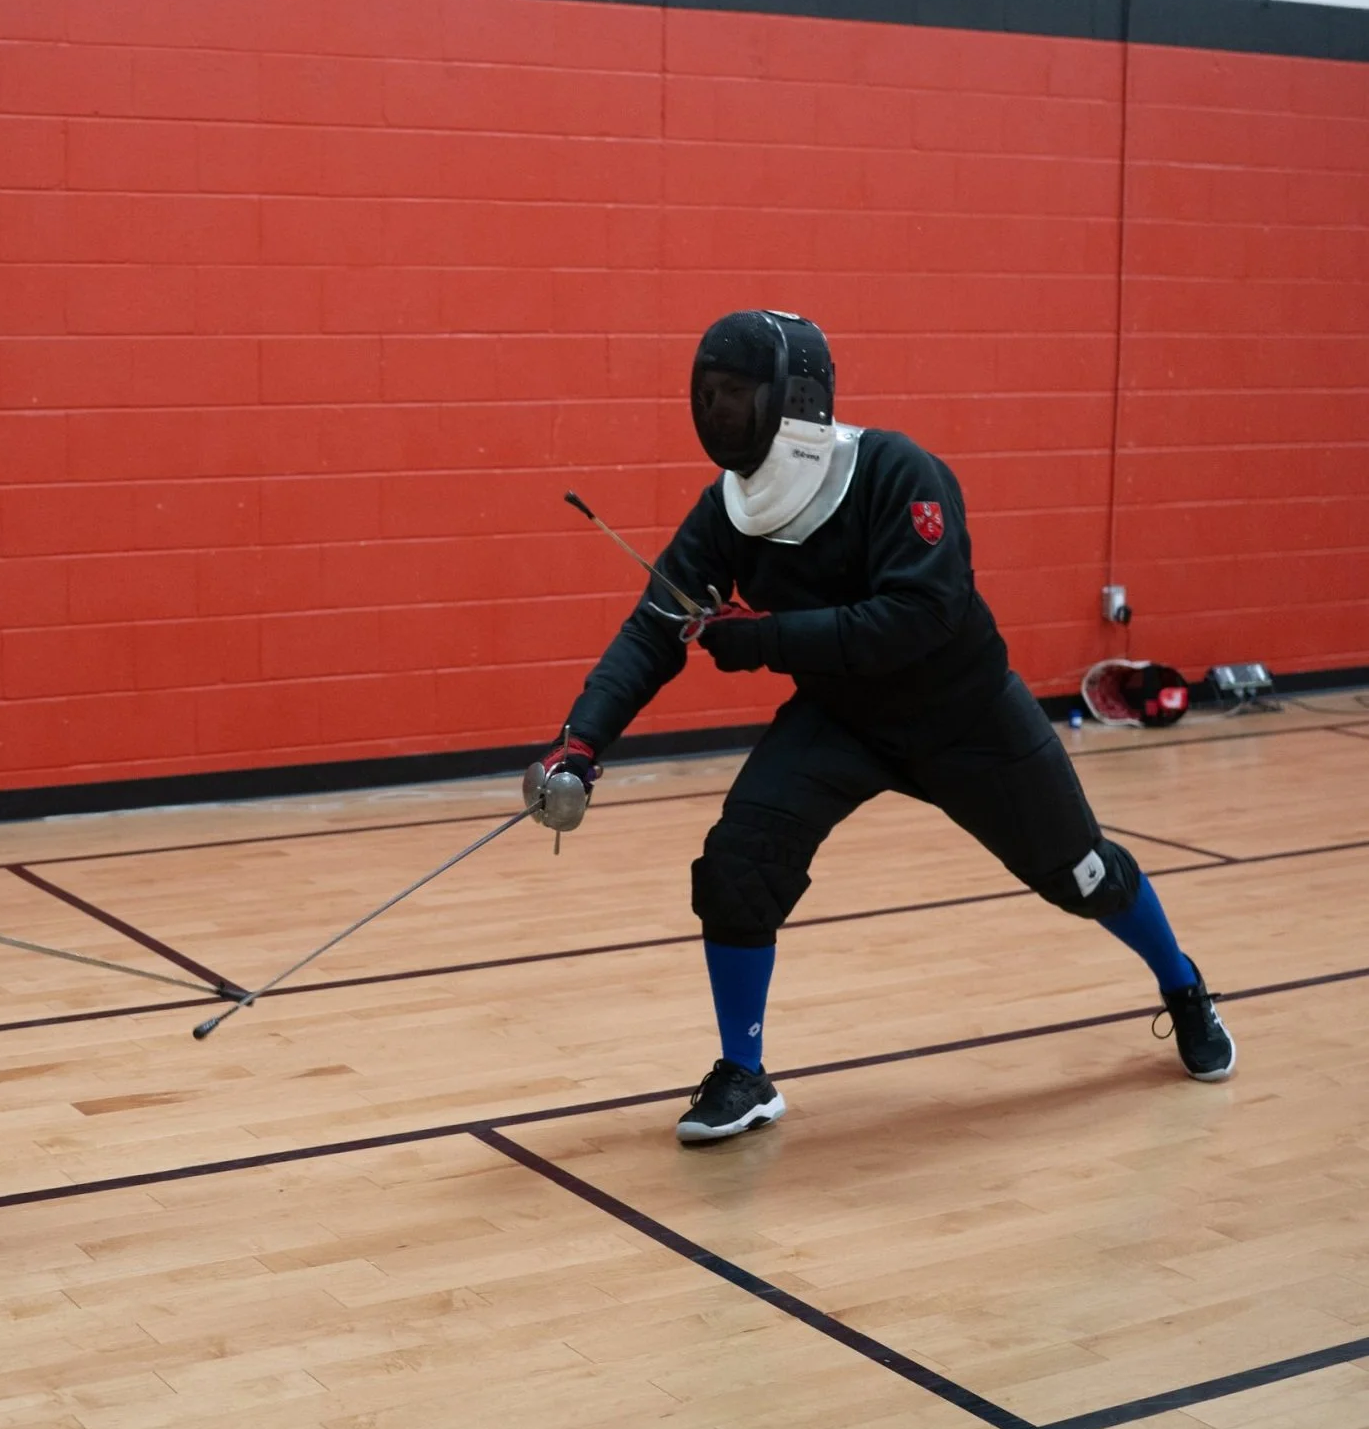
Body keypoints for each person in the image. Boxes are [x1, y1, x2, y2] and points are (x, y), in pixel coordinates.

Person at [525, 310, 1235, 1145]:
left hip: (962, 714)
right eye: (707, 395)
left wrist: (764, 641)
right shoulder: (727, 511)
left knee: (1081, 876)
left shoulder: (898, 472)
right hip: (841, 717)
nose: (716, 412)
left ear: (792, 399)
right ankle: (742, 1073)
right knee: (738, 866)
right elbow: (655, 626)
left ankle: (1181, 985)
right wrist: (580, 741)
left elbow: (917, 618)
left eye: (734, 394)